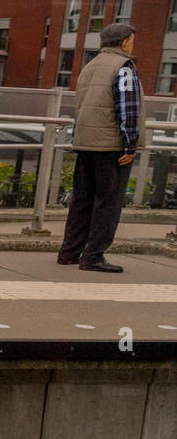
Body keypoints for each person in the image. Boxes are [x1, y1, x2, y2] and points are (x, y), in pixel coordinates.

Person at [57, 22, 143, 273]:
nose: (132, 45)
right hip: (110, 146)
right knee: (108, 200)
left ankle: (69, 252)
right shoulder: (124, 67)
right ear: (125, 42)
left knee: (81, 199)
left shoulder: (89, 66)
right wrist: (130, 144)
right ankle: (93, 255)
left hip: (85, 142)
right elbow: (128, 108)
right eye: (132, 40)